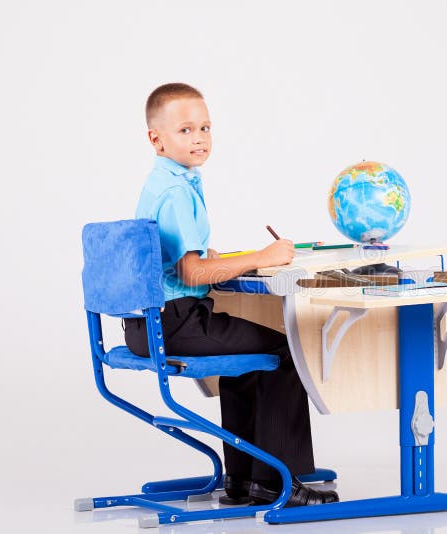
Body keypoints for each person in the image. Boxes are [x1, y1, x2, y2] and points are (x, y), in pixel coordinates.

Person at [123, 83, 338, 507]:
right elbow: (190, 271)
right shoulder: (176, 192)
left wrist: (208, 258)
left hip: (145, 325)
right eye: (185, 130)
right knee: (285, 352)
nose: (199, 137)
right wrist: (261, 256)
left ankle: (246, 479)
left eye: (205, 127)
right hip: (176, 322)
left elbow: (180, 261)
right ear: (156, 138)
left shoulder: (165, 183)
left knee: (245, 366)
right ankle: (279, 483)